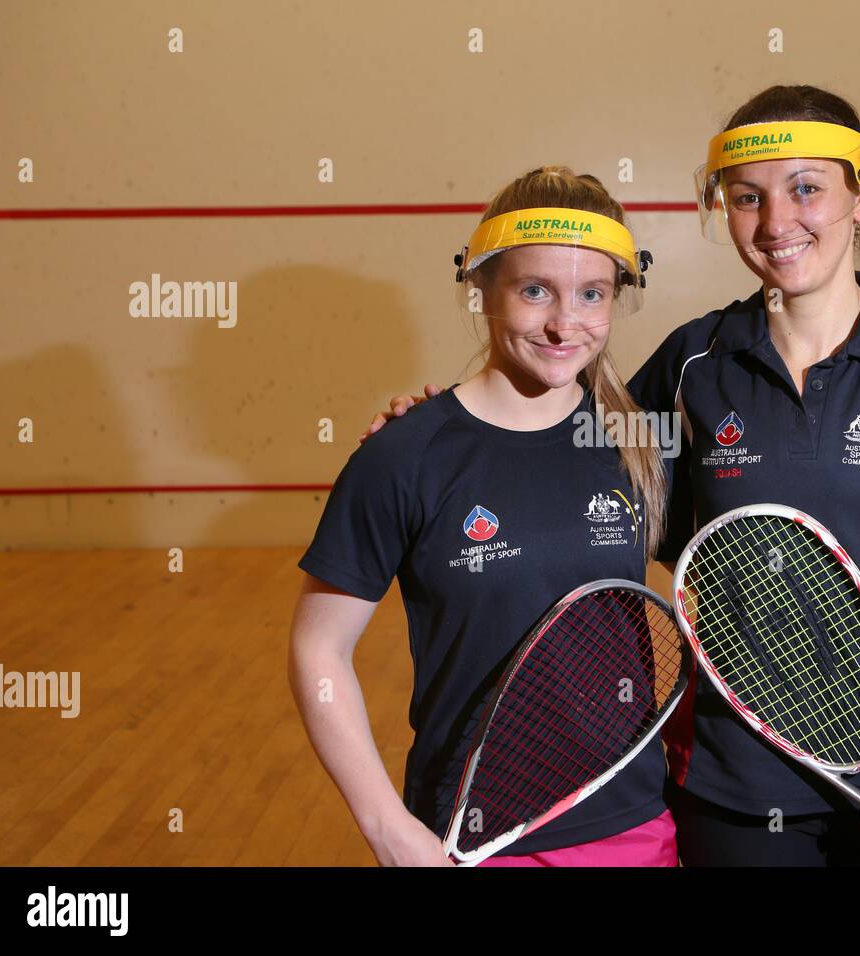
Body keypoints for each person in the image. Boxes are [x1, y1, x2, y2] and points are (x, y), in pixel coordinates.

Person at [364, 90, 860, 867]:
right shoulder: (691, 365)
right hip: (728, 783)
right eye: (747, 197)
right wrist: (438, 426)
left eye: (807, 187)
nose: (777, 223)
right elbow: (564, 474)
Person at [288, 166, 678, 866]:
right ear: (482, 286)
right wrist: (387, 828)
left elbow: (741, 560)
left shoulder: (641, 444)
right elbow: (319, 650)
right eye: (535, 291)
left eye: (592, 294)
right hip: (470, 833)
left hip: (631, 823)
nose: (565, 323)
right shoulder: (404, 457)